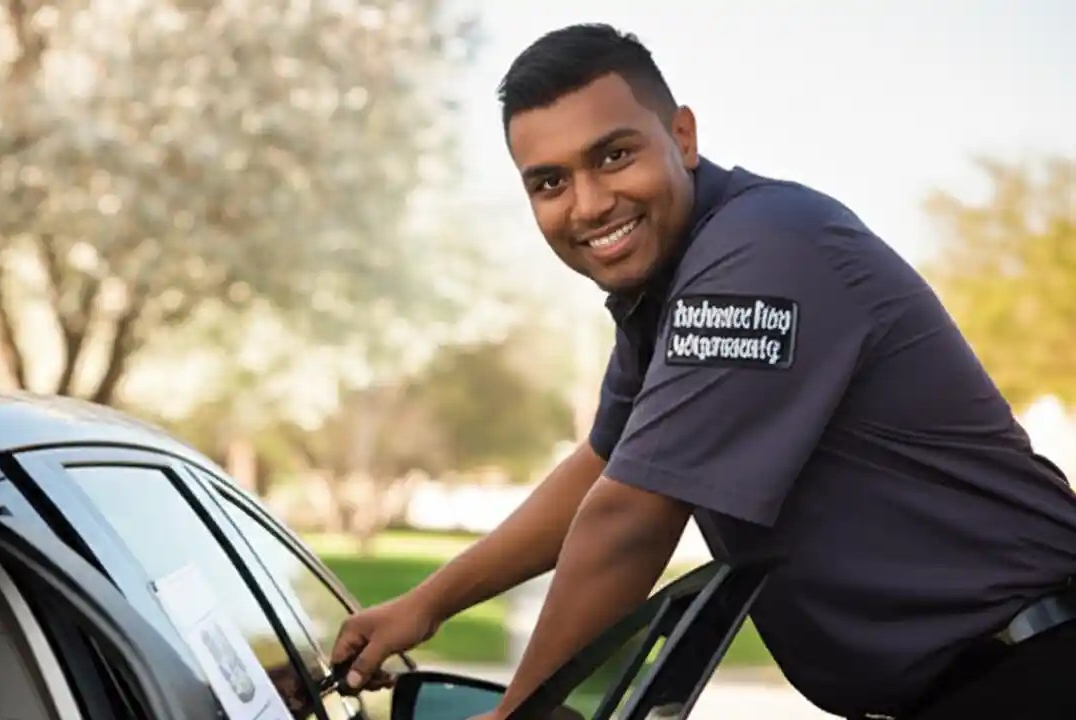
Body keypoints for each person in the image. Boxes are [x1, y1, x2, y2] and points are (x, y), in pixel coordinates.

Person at [330, 23, 1076, 720]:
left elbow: (631, 518)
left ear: (682, 136)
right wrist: (426, 604)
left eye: (614, 155)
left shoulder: (761, 254)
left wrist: (516, 712)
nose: (589, 204)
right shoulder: (669, 283)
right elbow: (602, 468)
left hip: (1034, 672)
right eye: (549, 182)